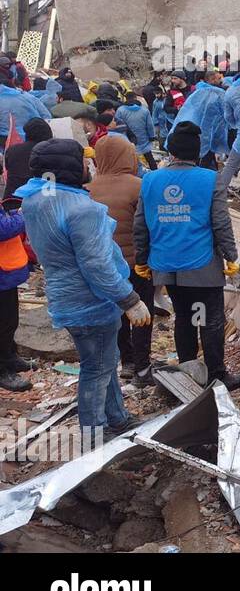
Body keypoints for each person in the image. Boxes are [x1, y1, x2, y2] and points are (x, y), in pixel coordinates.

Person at [15, 138, 151, 435]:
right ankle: (95, 434)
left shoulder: (36, 198)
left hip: (64, 296)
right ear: (71, 167)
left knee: (103, 360)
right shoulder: (82, 209)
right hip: (91, 300)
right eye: (84, 161)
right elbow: (96, 265)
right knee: (97, 368)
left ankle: (117, 418)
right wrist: (129, 299)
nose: (90, 166)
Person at [134, 122, 240, 390]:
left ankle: (188, 371)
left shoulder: (150, 180)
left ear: (171, 152)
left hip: (166, 265)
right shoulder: (210, 179)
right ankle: (216, 375)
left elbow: (141, 224)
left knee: (185, 317)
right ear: (196, 153)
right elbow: (221, 223)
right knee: (208, 320)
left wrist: (142, 259)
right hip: (202, 266)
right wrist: (231, 256)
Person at [87, 133, 156, 382]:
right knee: (141, 312)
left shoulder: (87, 189)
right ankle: (142, 366)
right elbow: (148, 227)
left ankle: (125, 361)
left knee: (117, 314)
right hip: (135, 265)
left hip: (103, 267)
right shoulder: (139, 185)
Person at [173, 69, 229, 169]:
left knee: (206, 158)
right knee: (205, 160)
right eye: (218, 78)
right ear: (212, 80)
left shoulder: (195, 93)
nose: (221, 80)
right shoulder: (217, 93)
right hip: (207, 134)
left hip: (199, 133)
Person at [0, 199, 29, 392]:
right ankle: (2, 369)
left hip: (5, 273)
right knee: (3, 323)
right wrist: (22, 215)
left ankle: (10, 356)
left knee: (10, 320)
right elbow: (3, 229)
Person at [3, 117, 52, 200]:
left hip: (11, 199)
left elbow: (7, 168)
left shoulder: (12, 150)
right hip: (39, 200)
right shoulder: (50, 152)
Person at [0, 78, 53, 147]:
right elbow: (47, 116)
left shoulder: (2, 99)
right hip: (35, 140)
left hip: (6, 143)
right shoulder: (28, 97)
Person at [113, 90, 156, 169]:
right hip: (144, 139)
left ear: (125, 99)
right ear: (136, 98)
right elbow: (149, 125)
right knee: (150, 158)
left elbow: (118, 126)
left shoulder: (120, 110)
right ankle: (155, 173)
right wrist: (152, 136)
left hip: (128, 140)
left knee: (132, 161)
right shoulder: (144, 110)